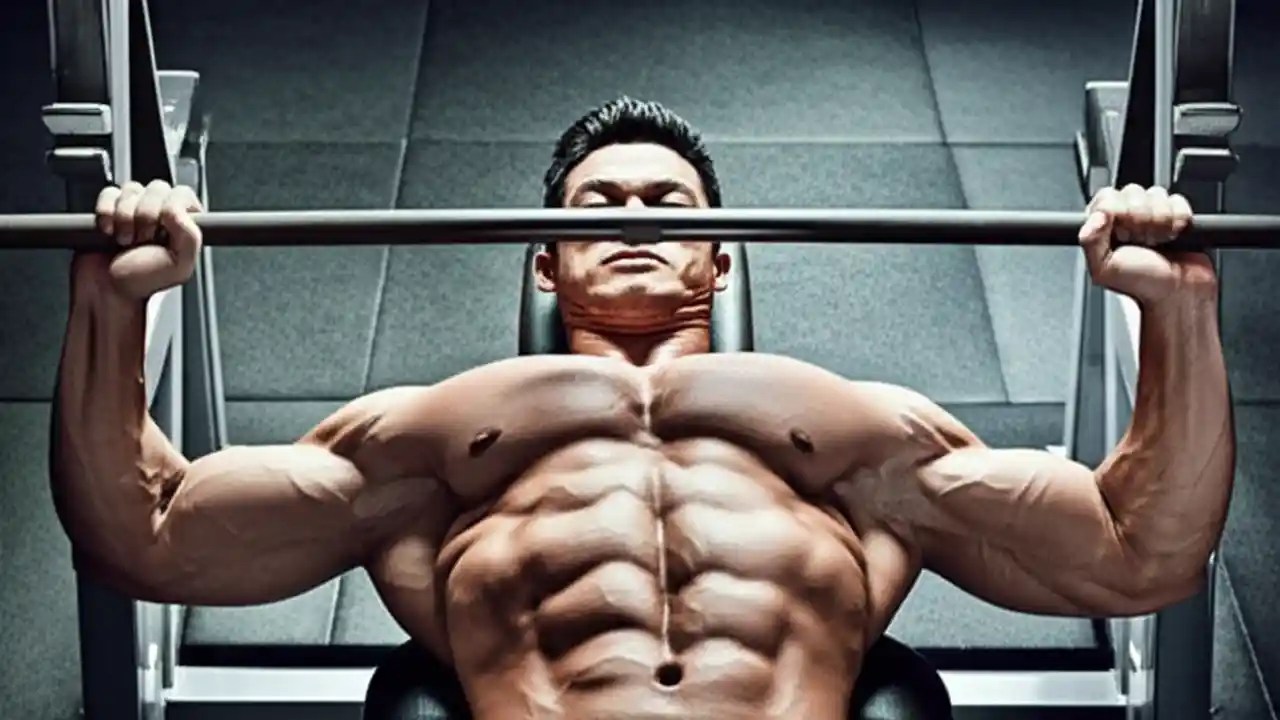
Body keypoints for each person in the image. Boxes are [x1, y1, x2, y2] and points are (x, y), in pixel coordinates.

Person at [50, 97, 1234, 720]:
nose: (629, 212)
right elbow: (141, 532)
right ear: (544, 263)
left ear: (717, 261)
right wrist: (110, 305)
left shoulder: (859, 438)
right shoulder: (428, 439)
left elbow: (1142, 553)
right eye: (596, 200)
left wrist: (1177, 311)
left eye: (664, 201)